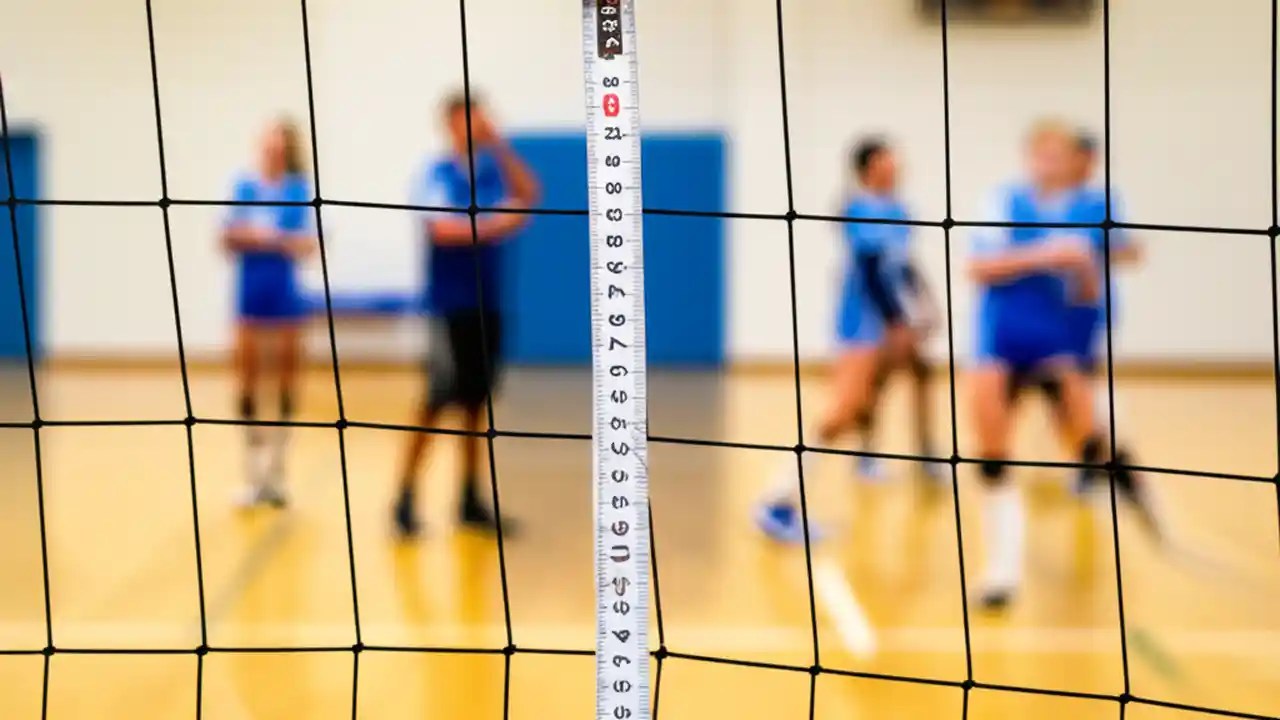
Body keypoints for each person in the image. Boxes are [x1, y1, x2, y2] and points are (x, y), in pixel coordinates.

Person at [967, 119, 1122, 609]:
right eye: (1044, 154)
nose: (1052, 164)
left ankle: (1125, 477)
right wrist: (1045, 254)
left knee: (1086, 441)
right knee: (993, 454)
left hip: (1055, 345)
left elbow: (1091, 289)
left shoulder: (1087, 210)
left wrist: (1085, 274)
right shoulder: (1004, 201)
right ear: (1030, 157)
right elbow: (978, 267)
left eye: (1061, 155)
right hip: (999, 341)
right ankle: (1002, 570)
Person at [756, 137, 930, 542]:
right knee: (845, 409)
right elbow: (870, 269)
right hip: (861, 323)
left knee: (873, 397)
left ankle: (873, 459)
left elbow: (903, 268)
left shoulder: (900, 210)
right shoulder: (857, 209)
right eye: (889, 161)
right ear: (869, 167)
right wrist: (896, 321)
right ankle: (775, 501)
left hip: (889, 321)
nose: (897, 167)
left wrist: (921, 310)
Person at [393, 91, 540, 538]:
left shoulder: (493, 170)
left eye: (483, 120)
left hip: (487, 304)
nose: (477, 127)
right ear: (450, 124)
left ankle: (470, 500)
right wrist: (497, 223)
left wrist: (501, 146)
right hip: (447, 308)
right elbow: (441, 230)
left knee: (478, 403)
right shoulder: (434, 174)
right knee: (436, 401)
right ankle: (404, 498)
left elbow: (529, 195)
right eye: (469, 120)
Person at [1008, 129, 1165, 539]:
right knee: (1057, 389)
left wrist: (1087, 254)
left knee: (1078, 387)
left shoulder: (1100, 200)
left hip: (1086, 311)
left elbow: (1128, 248)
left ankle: (1093, 464)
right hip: (1042, 313)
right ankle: (1084, 458)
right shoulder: (1033, 199)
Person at [222, 119, 317, 509]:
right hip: (249, 296)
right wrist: (268, 238)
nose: (272, 149)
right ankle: (253, 472)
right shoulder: (243, 187)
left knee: (285, 382)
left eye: (279, 143)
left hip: (286, 299)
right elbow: (228, 236)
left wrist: (267, 237)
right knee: (246, 383)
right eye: (268, 142)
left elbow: (306, 244)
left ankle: (278, 472)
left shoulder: (300, 191)